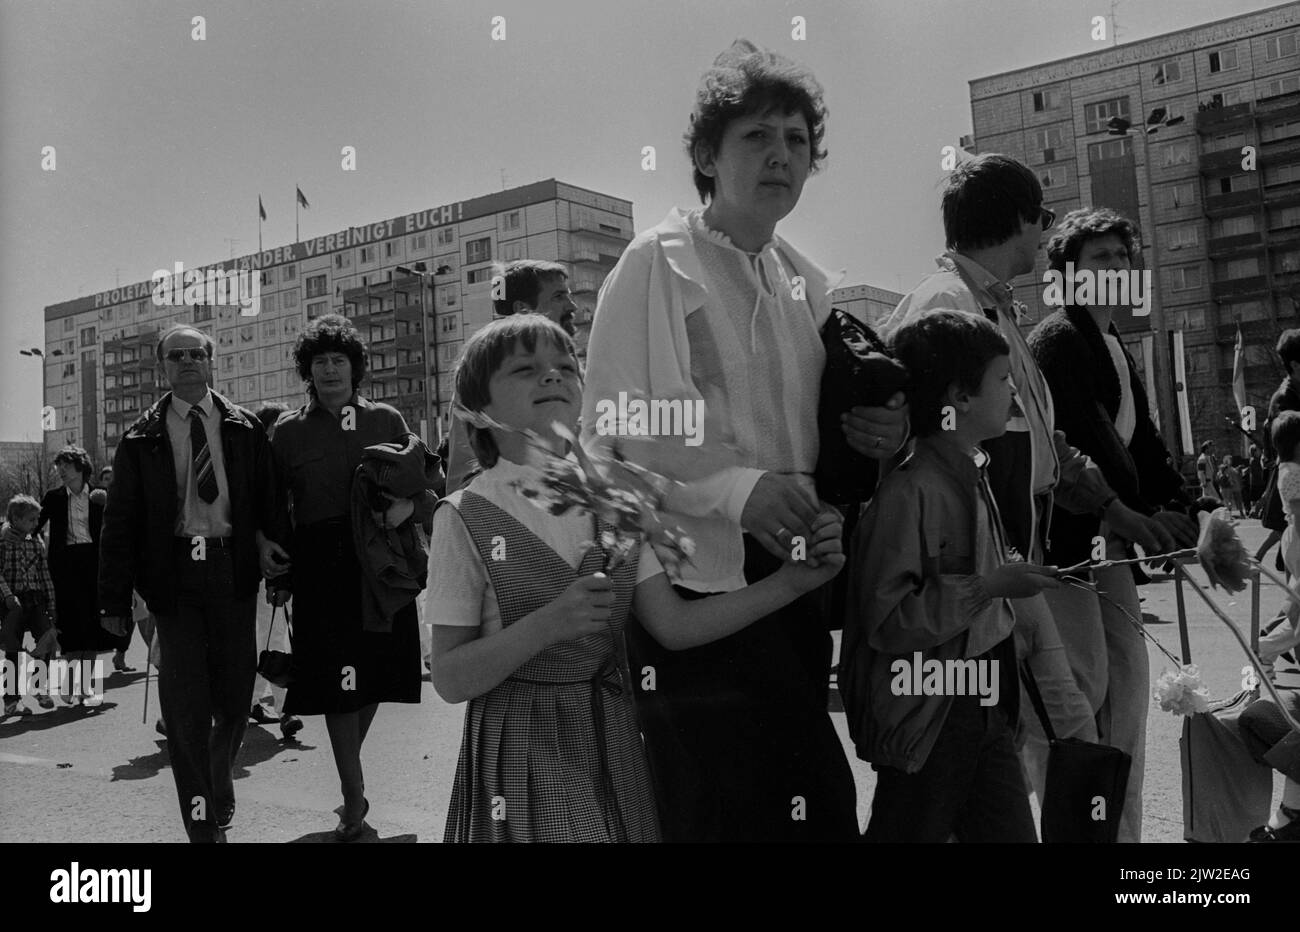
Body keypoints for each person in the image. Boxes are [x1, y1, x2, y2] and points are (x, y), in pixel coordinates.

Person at [580, 39, 907, 842]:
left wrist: (879, 437)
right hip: (693, 576)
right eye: (757, 137)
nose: (782, 156)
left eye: (797, 140)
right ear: (705, 155)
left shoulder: (804, 281)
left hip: (788, 572)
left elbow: (821, 432)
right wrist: (738, 490)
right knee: (719, 808)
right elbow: (618, 423)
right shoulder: (656, 262)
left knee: (814, 803)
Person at [428, 316, 846, 841]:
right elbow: (448, 676)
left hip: (613, 743)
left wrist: (789, 584)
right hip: (521, 751)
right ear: (479, 408)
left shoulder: (617, 504)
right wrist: (549, 624)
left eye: (565, 367)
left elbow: (674, 625)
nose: (553, 377)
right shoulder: (464, 514)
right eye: (525, 369)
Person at [879, 155, 1178, 842]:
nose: (1045, 234)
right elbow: (934, 454)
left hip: (1015, 560)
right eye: (1041, 218)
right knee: (1032, 732)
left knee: (1063, 724)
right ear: (1015, 218)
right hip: (978, 575)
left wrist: (1121, 513)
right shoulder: (946, 307)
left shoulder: (994, 310)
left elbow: (1047, 444)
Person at [844, 310, 1054, 841]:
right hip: (929, 716)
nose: (1014, 393)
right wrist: (990, 587)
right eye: (1004, 380)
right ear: (960, 397)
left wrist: (1006, 702)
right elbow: (888, 620)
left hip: (980, 705)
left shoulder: (971, 473)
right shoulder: (908, 492)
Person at [1027, 206, 1198, 844]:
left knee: (1124, 689)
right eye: (1100, 258)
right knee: (1079, 691)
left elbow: (1145, 443)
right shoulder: (1059, 337)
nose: (1116, 268)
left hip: (1112, 546)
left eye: (1124, 258)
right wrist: (1149, 515)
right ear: (1068, 273)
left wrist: (1183, 508)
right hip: (1069, 544)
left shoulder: (1114, 343)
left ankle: (1119, 836)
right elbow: (1088, 440)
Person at [99, 325, 281, 843]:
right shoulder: (140, 437)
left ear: (210, 361)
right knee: (184, 709)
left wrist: (278, 566)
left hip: (232, 570)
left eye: (195, 353)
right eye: (174, 356)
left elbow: (268, 502)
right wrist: (113, 598)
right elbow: (121, 523)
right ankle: (200, 818)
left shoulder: (244, 427)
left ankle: (218, 776)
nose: (186, 362)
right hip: (173, 577)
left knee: (234, 699)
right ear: (163, 367)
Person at [267, 314, 426, 842]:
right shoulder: (287, 432)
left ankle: (349, 778)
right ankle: (353, 794)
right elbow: (273, 508)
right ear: (307, 372)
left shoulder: (386, 419)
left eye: (339, 360)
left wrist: (409, 504)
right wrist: (276, 562)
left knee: (375, 672)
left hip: (381, 559)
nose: (330, 369)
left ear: (355, 367)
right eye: (320, 362)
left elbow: (430, 481)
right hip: (319, 561)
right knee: (339, 685)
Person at [444, 259, 580, 494]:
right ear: (522, 310)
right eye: (559, 296)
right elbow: (463, 478)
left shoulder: (575, 375)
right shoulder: (484, 376)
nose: (572, 306)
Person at [39, 445, 115, 704]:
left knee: (91, 626)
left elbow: (115, 527)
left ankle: (85, 687)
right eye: (58, 466)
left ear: (81, 467)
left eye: (66, 466)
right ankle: (70, 684)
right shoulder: (53, 497)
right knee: (70, 626)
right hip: (65, 566)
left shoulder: (99, 495)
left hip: (94, 563)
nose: (61, 471)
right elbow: (34, 525)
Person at [249, 402, 303, 741]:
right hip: (259, 566)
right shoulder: (254, 468)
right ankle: (278, 706)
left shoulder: (290, 466)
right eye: (276, 428)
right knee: (266, 634)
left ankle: (267, 704)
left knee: (274, 633)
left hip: (288, 563)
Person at [1, 495, 59, 716]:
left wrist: (51, 603)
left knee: (46, 640)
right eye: (31, 519)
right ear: (15, 518)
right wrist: (7, 595)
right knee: (13, 650)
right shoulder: (3, 542)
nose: (36, 523)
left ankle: (39, 687)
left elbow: (45, 575)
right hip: (11, 604)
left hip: (35, 599)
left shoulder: (35, 542)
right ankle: (11, 700)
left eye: (37, 519)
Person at [1247, 444, 1265, 516]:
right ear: (1254, 452)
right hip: (1257, 482)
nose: (1260, 451)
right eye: (1258, 450)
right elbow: (1258, 472)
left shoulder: (1258, 459)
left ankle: (1256, 512)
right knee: (1257, 498)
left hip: (1258, 482)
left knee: (1257, 498)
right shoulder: (1254, 460)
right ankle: (1254, 512)